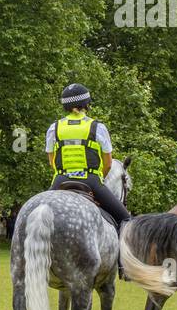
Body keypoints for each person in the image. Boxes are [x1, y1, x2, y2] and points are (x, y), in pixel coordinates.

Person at [44, 83, 131, 228]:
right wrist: (99, 177)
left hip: (61, 180)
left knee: (36, 210)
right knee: (126, 219)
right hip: (91, 181)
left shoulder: (54, 128)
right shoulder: (98, 127)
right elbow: (108, 164)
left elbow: (52, 161)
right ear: (86, 104)